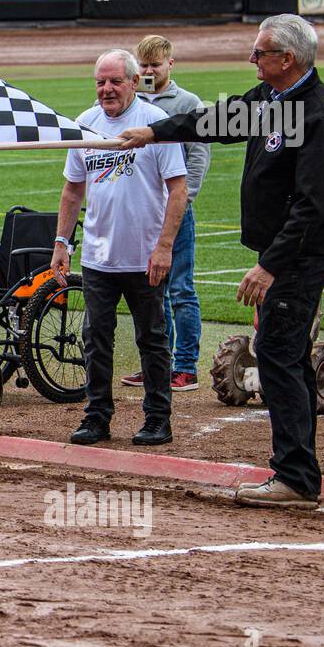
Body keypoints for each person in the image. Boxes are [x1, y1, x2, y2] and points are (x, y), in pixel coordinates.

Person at [120, 14, 324, 509]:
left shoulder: (318, 116)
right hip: (282, 253)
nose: (252, 59)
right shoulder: (270, 100)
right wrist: (153, 133)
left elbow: (313, 206)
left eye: (261, 52)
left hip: (299, 257)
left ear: (288, 59)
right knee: (284, 355)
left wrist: (269, 265)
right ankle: (299, 472)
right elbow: (211, 121)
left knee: (279, 354)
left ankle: (295, 478)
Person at [53, 49, 188, 448]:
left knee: (152, 338)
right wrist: (62, 242)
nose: (106, 89)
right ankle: (96, 417)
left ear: (133, 82)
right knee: (95, 338)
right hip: (99, 256)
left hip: (145, 256)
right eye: (100, 82)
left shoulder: (154, 124)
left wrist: (164, 247)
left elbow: (178, 190)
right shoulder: (85, 124)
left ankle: (157, 419)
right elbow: (73, 188)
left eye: (114, 81)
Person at [120, 35, 208, 392]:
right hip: (142, 209)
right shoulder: (131, 100)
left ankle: (185, 366)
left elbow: (199, 152)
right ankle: (157, 362)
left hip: (174, 208)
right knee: (148, 290)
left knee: (181, 289)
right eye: (143, 66)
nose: (149, 71)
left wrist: (187, 196)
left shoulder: (187, 102)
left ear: (171, 64)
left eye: (155, 65)